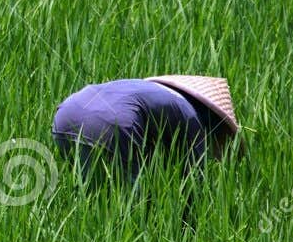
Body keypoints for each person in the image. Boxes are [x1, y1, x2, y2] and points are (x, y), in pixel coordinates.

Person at [51, 74, 239, 181]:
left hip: (65, 114)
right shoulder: (191, 117)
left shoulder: (154, 94)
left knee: (92, 194)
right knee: (129, 206)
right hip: (115, 121)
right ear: (215, 124)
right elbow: (193, 185)